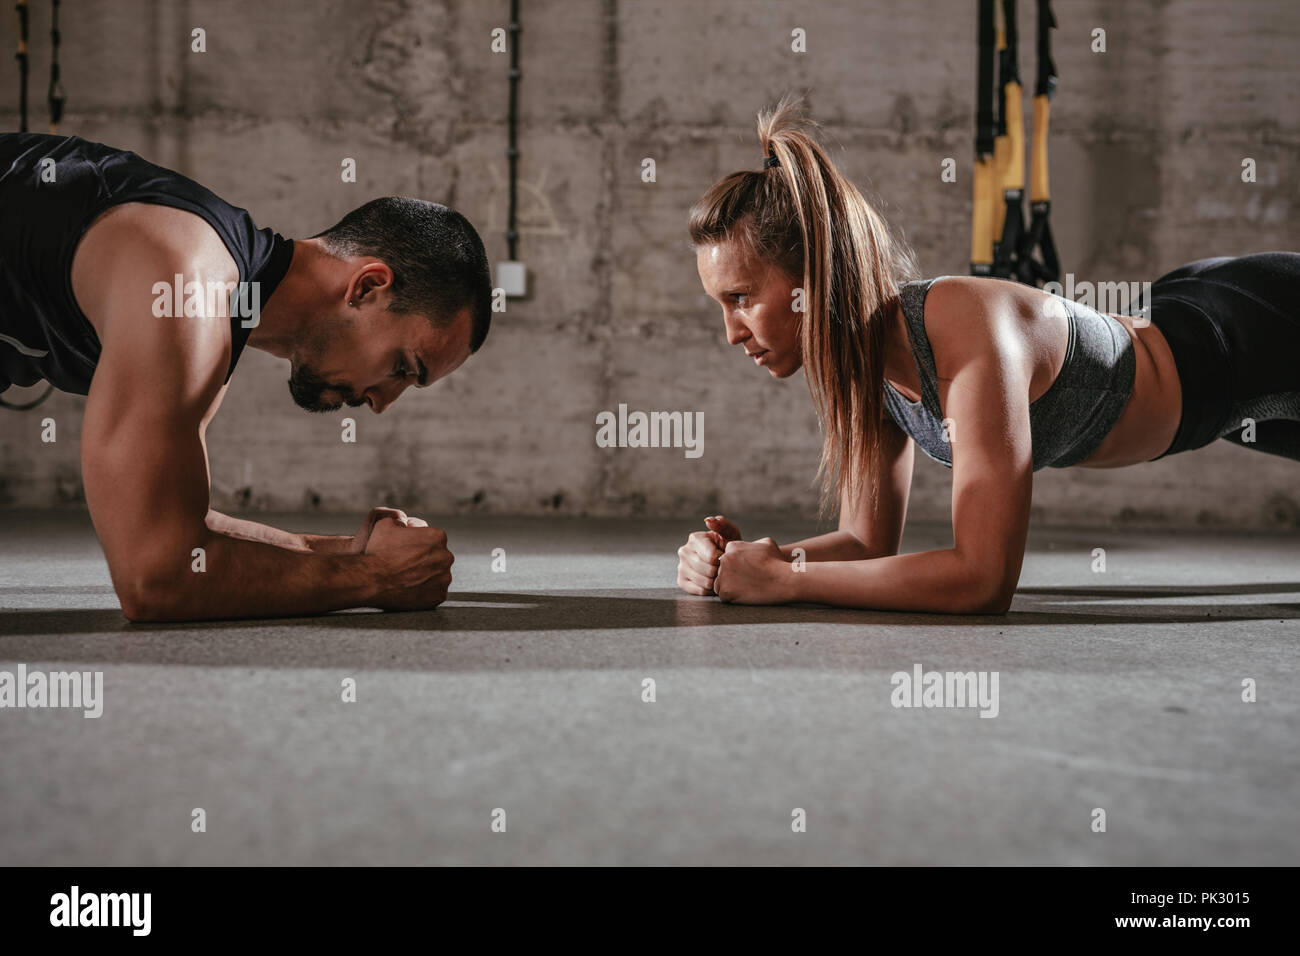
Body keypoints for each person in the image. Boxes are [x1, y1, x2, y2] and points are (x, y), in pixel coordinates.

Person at [676, 97, 1299, 613]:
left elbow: (983, 579)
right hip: (1202, 354)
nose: (732, 332)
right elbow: (867, 545)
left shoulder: (962, 327)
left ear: (812, 276)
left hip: (1255, 328)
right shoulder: (863, 367)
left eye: (741, 298)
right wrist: (756, 562)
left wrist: (787, 581)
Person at [0, 132, 493, 621]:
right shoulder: (185, 286)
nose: (384, 402)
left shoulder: (216, 311)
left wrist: (350, 552)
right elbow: (156, 576)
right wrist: (381, 579)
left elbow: (172, 524)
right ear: (366, 288)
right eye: (403, 368)